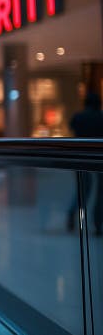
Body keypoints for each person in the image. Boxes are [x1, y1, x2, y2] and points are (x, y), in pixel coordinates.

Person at [67, 92, 103, 236]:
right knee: (101, 192)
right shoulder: (101, 118)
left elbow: (72, 129)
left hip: (79, 158)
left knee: (83, 190)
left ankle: (73, 213)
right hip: (99, 158)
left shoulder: (78, 117)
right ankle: (98, 223)